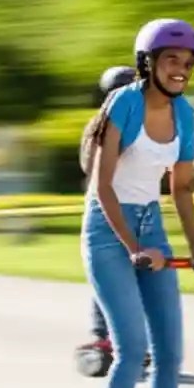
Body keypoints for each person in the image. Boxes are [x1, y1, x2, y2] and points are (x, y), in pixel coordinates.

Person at [78, 18, 194, 388]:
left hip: (150, 224)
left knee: (171, 354)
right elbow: (102, 186)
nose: (181, 69)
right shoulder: (124, 103)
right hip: (107, 227)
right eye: (171, 60)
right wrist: (135, 247)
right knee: (132, 349)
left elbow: (180, 190)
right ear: (148, 63)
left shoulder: (187, 116)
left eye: (187, 63)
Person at [79, 65, 138, 355]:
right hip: (109, 207)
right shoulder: (105, 126)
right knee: (112, 272)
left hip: (132, 206)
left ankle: (113, 334)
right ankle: (105, 335)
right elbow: (92, 169)